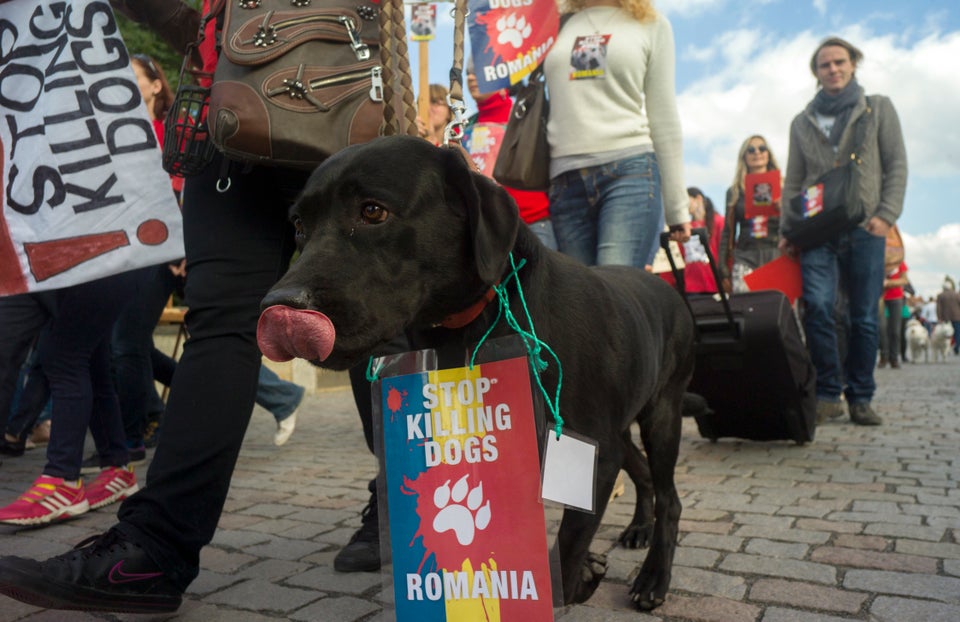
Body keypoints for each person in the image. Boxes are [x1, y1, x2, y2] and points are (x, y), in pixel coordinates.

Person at [0, 0, 365, 610]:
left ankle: (410, 504)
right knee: (221, 324)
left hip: (334, 97)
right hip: (226, 113)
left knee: (371, 324)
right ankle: (154, 550)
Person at [779, 36, 908, 426]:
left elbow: (896, 165)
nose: (832, 69)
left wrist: (885, 215)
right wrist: (790, 228)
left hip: (866, 226)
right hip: (817, 231)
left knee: (864, 316)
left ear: (853, 64)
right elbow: (793, 180)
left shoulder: (878, 108)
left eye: (839, 62)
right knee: (817, 308)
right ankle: (828, 392)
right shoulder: (801, 122)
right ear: (816, 73)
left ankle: (861, 396)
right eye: (824, 65)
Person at [543, 0, 691, 268]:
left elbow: (664, 115)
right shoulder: (552, 23)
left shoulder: (652, 24)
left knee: (613, 289)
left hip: (630, 172)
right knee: (579, 300)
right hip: (565, 180)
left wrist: (677, 207)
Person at [464, 62, 557, 249]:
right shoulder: (465, 128)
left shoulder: (524, 116)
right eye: (468, 73)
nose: (471, 77)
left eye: (479, 71)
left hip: (532, 223)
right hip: (490, 229)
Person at [719, 135, 783, 293]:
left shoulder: (784, 186)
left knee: (780, 308)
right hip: (746, 256)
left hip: (776, 253)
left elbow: (795, 223)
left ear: (768, 154)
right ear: (744, 157)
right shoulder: (734, 192)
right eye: (751, 150)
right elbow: (728, 231)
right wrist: (722, 268)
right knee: (746, 308)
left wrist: (785, 208)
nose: (757, 153)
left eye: (762, 148)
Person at [681, 188, 724, 294]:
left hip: (714, 283)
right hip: (691, 286)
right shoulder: (685, 228)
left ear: (698, 198)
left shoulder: (718, 222)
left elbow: (724, 250)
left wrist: (726, 277)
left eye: (686, 200)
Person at [878, 260, 908, 368]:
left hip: (896, 298)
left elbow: (904, 280)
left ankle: (894, 358)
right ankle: (883, 356)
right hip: (880, 297)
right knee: (881, 329)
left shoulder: (899, 262)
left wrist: (889, 283)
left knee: (895, 330)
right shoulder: (878, 259)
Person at [936, 277, 960, 354]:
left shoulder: (941, 295)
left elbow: (938, 308)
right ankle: (956, 347)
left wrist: (939, 317)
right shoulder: (957, 295)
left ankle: (947, 347)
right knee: (957, 333)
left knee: (946, 334)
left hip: (946, 317)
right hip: (957, 317)